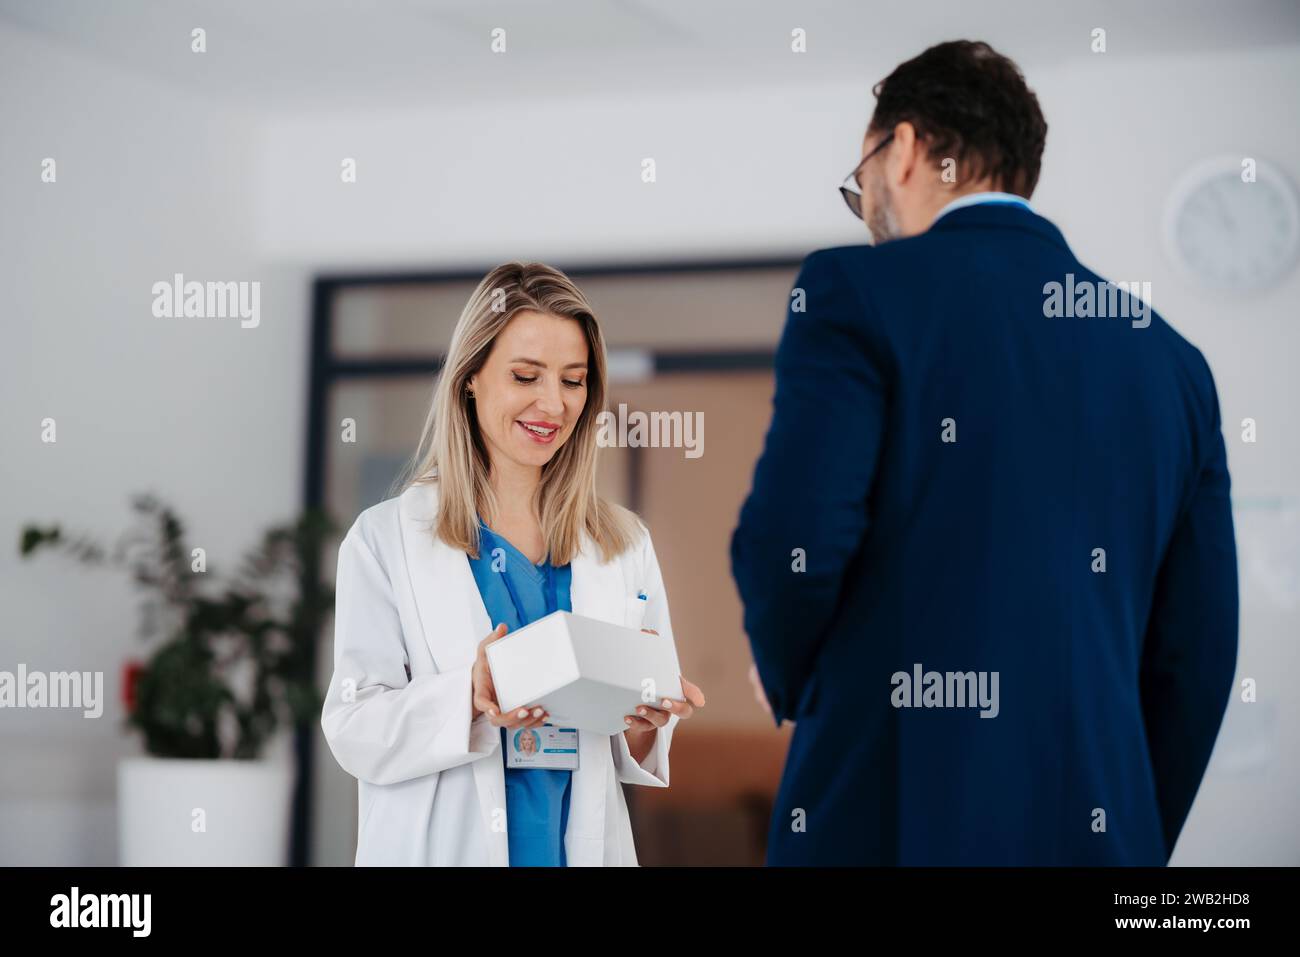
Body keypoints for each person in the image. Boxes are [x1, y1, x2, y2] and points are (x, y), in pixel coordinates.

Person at [730, 40, 1237, 865]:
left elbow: (790, 540)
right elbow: (1199, 655)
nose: (865, 207)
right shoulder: (1172, 363)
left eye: (860, 181)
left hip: (889, 819)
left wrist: (794, 678)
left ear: (901, 150)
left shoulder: (855, 293)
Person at [323, 261, 705, 866]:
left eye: (574, 381)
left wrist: (648, 716)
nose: (552, 404)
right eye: (526, 376)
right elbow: (353, 728)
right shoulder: (385, 540)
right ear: (471, 377)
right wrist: (466, 696)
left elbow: (629, 748)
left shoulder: (623, 543)